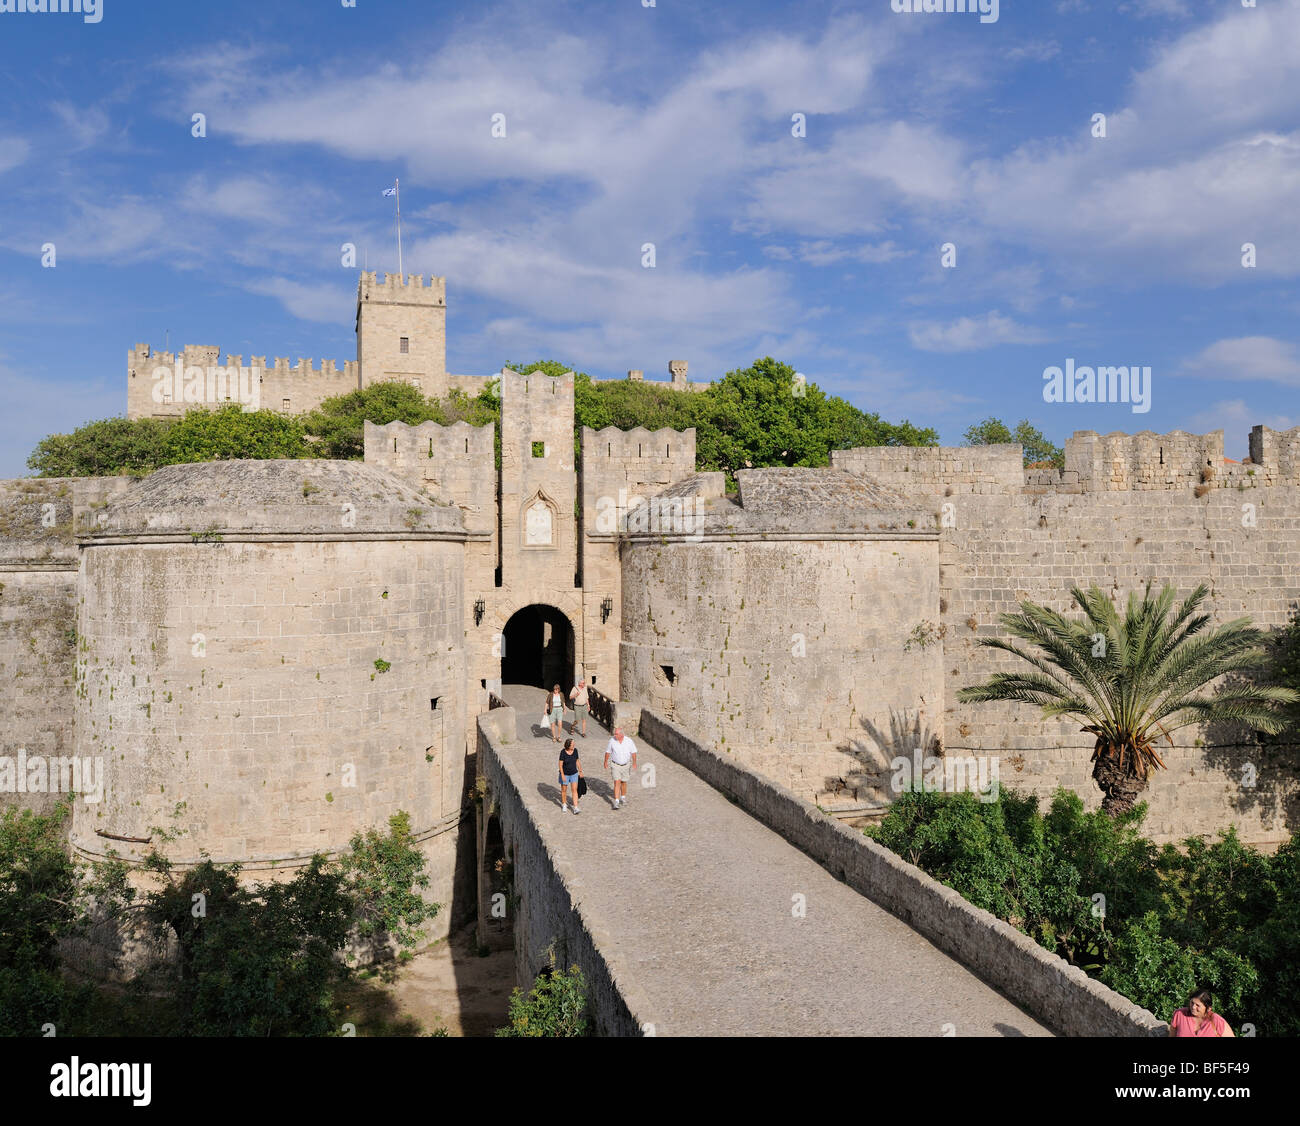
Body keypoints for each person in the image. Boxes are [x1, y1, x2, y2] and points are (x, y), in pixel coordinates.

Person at [1169, 989, 1235, 1037]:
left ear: (1208, 1008)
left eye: (1198, 1005)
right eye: (1192, 1003)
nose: (1193, 1007)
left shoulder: (1216, 1021)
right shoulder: (1179, 1014)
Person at [603, 726, 637, 809]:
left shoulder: (629, 741)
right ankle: (616, 801)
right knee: (617, 782)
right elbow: (608, 752)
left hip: (626, 765)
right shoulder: (612, 741)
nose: (614, 735)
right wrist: (605, 761)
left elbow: (633, 752)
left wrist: (634, 763)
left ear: (622, 734)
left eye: (616, 734)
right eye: (615, 734)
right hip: (615, 765)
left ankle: (623, 797)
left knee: (624, 782)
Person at [558, 737, 583, 814]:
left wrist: (580, 771)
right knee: (564, 790)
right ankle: (564, 804)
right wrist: (562, 775)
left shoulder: (575, 751)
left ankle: (575, 807)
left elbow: (577, 761)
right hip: (565, 774)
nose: (574, 745)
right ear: (568, 745)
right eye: (572, 744)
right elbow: (560, 765)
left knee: (574, 790)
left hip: (574, 774)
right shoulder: (563, 752)